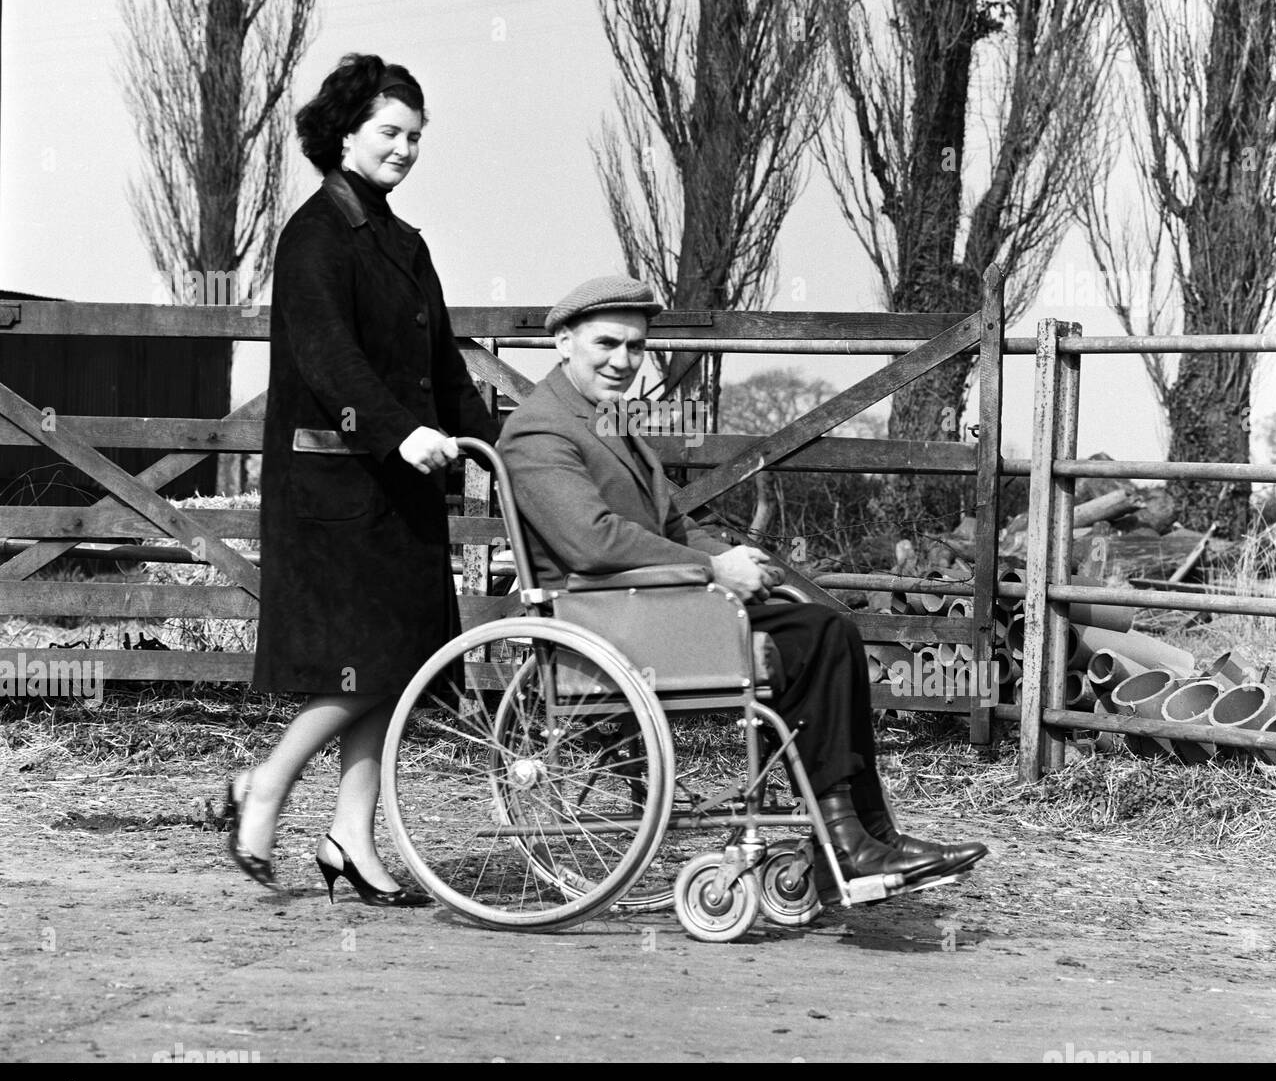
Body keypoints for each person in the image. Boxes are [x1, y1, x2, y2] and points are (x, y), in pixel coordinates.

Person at [497, 275, 987, 895]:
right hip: (607, 625)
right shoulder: (542, 431)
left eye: (636, 347)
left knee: (827, 627)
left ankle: (866, 833)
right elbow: (590, 543)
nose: (624, 361)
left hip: (656, 607)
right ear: (563, 342)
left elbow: (674, 524)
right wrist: (712, 571)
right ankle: (847, 842)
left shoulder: (608, 422)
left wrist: (733, 557)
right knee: (808, 637)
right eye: (606, 344)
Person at [229, 53, 498, 905]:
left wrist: (502, 447)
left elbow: (444, 370)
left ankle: (352, 833)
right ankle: (264, 785)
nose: (405, 149)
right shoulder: (312, 237)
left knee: (397, 665)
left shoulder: (405, 246)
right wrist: (399, 432)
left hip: (401, 493)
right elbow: (329, 360)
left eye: (416, 137)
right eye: (390, 131)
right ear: (344, 134)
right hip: (336, 493)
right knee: (364, 665)